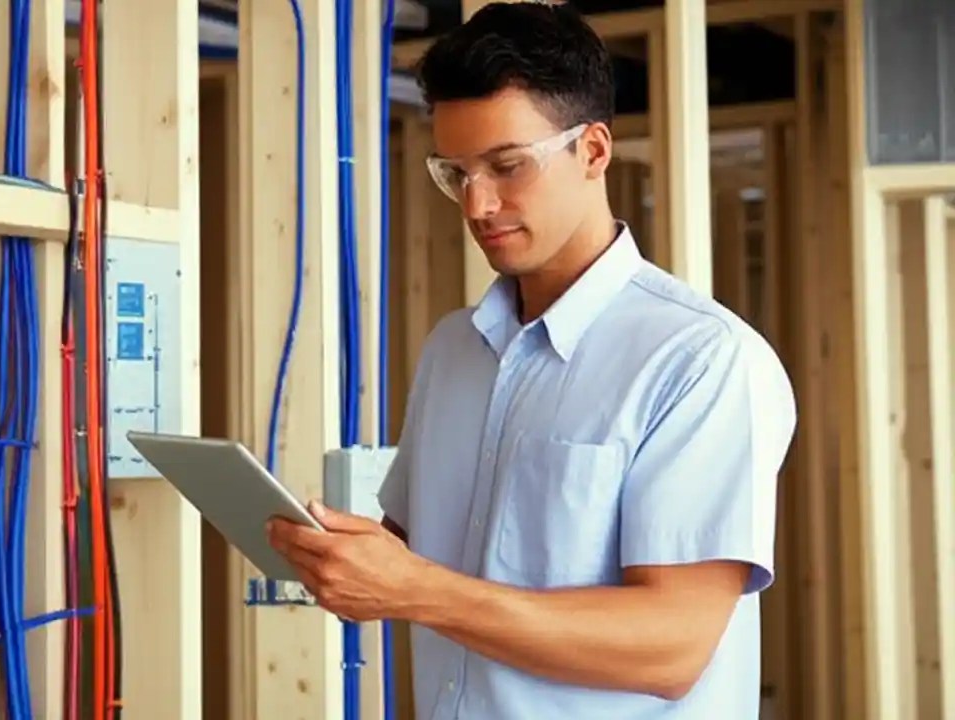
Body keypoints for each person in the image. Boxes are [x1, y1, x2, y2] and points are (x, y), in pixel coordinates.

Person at [265, 2, 797, 718]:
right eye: (455, 173)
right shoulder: (455, 349)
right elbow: (424, 550)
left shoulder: (700, 361)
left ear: (594, 151)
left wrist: (414, 588)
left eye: (507, 166)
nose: (478, 204)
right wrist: (340, 555)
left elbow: (673, 647)